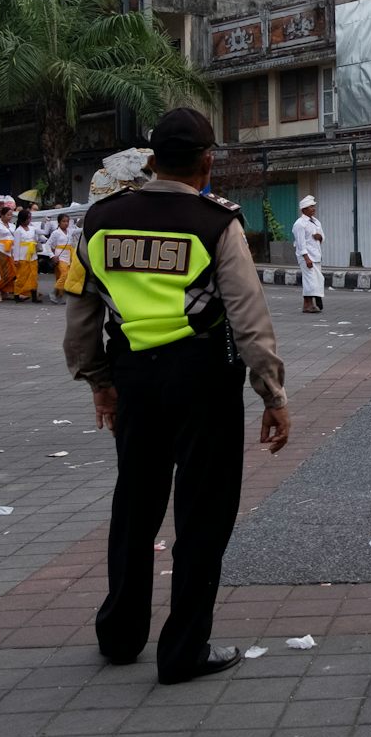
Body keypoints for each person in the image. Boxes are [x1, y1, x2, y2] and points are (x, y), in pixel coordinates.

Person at [64, 107, 289, 685]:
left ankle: (119, 633)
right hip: (203, 380)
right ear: (207, 161)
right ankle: (183, 648)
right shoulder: (215, 222)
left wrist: (99, 384)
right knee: (203, 514)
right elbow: (247, 314)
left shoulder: (99, 221)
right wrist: (272, 392)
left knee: (134, 507)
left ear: (150, 160)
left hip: (133, 377)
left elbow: (82, 311)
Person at [292, 196, 324, 312]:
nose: (313, 209)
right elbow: (300, 243)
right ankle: (307, 305)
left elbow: (322, 237)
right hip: (306, 257)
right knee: (310, 280)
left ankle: (311, 303)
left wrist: (319, 237)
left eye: (313, 206)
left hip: (316, 255)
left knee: (316, 280)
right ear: (304, 209)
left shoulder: (316, 222)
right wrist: (306, 258)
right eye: (311, 207)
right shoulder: (299, 224)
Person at [12, 208, 41, 302]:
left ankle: (34, 295)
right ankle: (17, 294)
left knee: (33, 276)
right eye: (28, 219)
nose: (29, 220)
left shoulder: (32, 229)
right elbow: (16, 246)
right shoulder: (18, 231)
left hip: (33, 256)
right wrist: (16, 259)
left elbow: (42, 233)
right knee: (22, 276)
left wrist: (47, 222)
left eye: (30, 218)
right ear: (22, 219)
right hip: (22, 257)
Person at [47, 213, 77, 303]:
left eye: (67, 221)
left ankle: (60, 295)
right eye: (63, 221)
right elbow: (48, 244)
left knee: (62, 276)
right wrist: (52, 256)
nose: (66, 223)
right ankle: (53, 291)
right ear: (59, 222)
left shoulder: (70, 231)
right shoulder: (56, 233)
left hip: (69, 256)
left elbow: (80, 230)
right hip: (60, 257)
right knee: (65, 274)